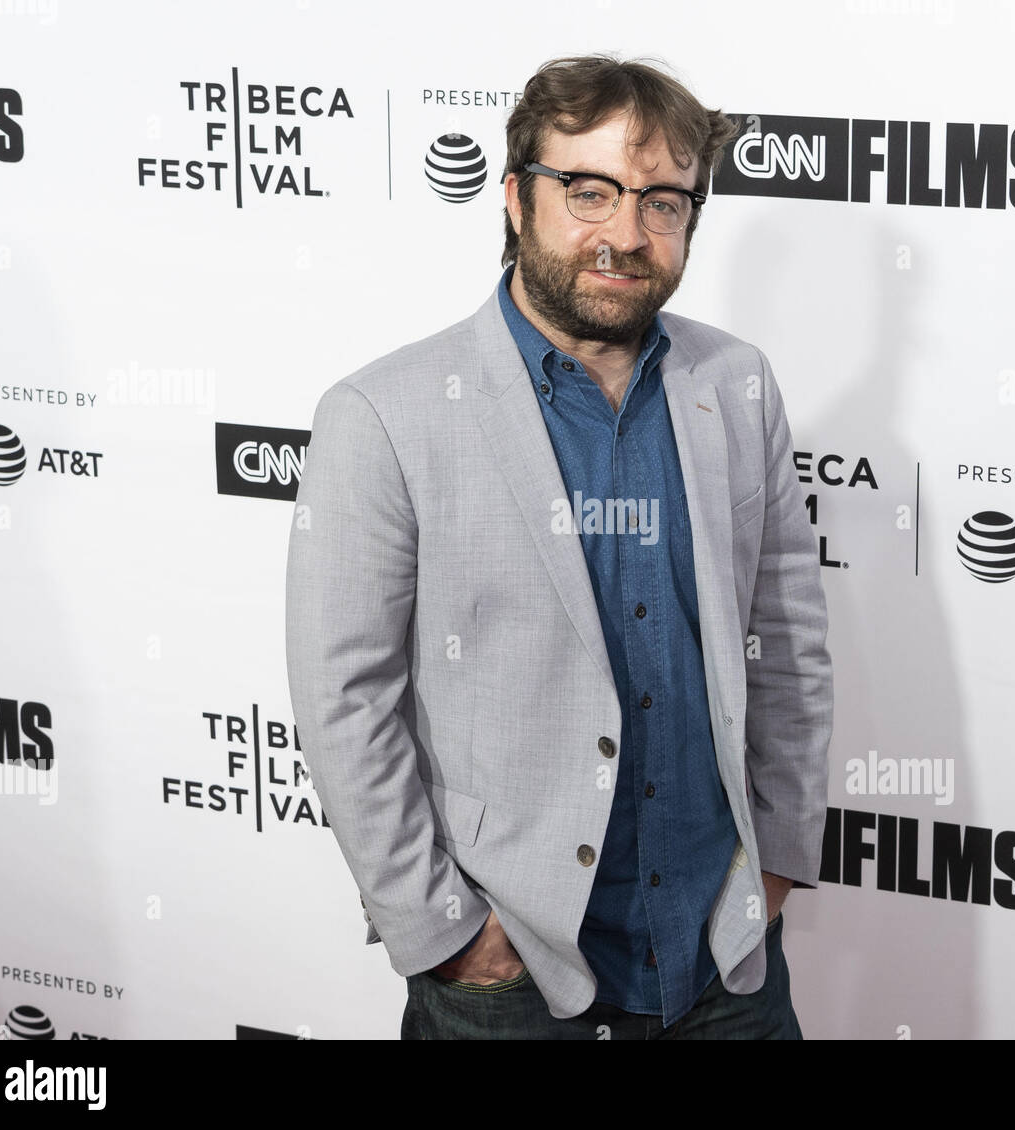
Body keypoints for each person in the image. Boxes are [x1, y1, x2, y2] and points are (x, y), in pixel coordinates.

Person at [285, 53, 833, 1040]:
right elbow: (343, 698)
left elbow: (786, 634)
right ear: (512, 198)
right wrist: (446, 932)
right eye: (588, 191)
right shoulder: (385, 413)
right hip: (510, 976)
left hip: (727, 961)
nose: (625, 233)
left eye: (663, 202)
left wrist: (781, 858)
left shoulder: (736, 383)